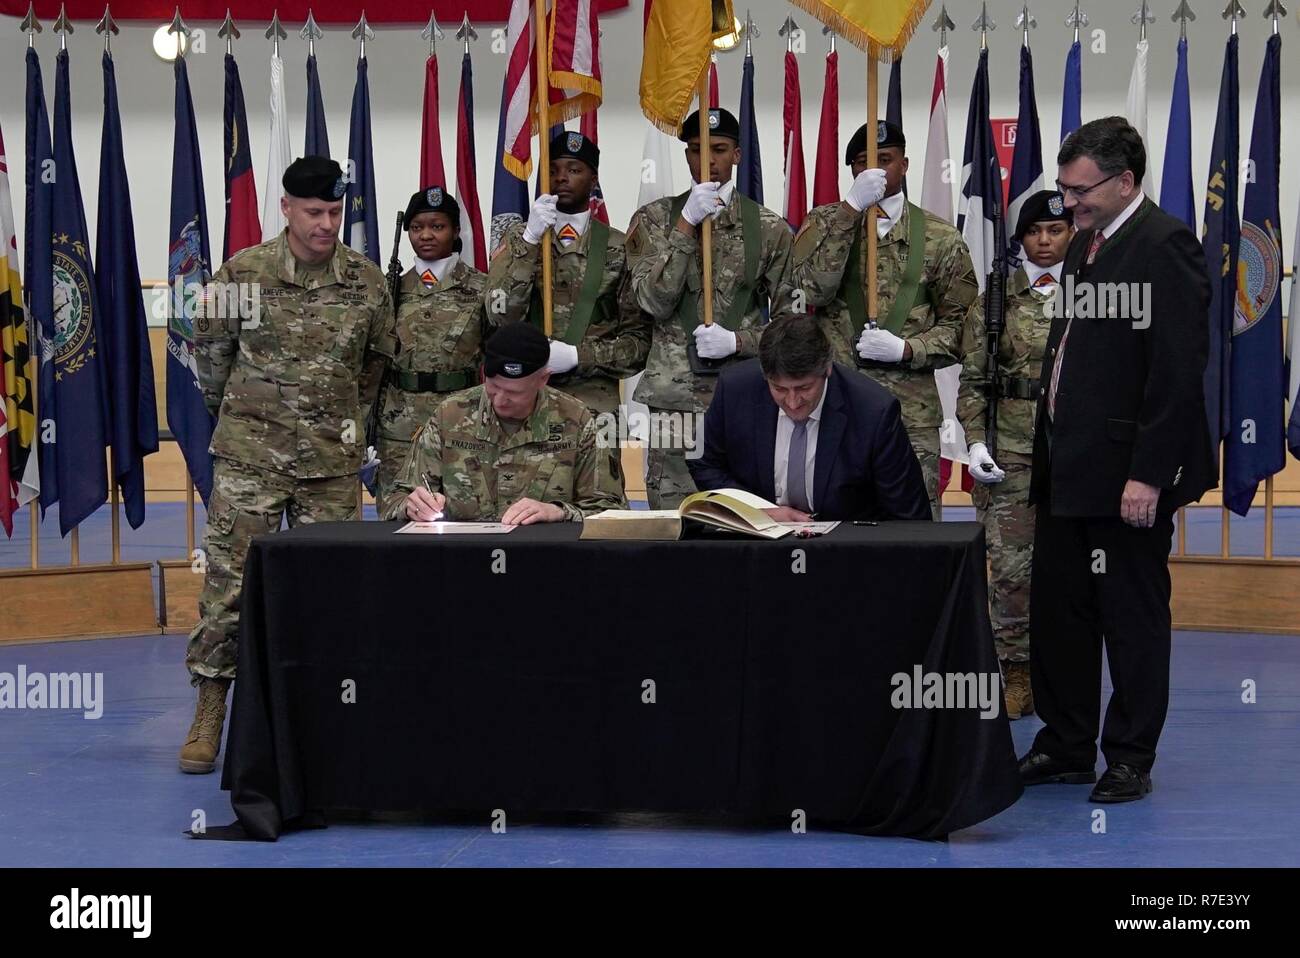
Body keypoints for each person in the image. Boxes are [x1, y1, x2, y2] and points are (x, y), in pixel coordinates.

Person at [1017, 117, 1214, 802]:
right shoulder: (1087, 245)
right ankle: (1065, 743)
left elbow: (1178, 372)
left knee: (1130, 617)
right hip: (1069, 468)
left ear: (1125, 181)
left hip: (1127, 475)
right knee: (1060, 614)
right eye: (1065, 189)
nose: (1068, 204)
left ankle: (1129, 755)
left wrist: (1149, 473)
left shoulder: (1167, 247)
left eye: (1080, 190)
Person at [182, 155, 396, 774]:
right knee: (229, 585)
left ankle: (323, 716)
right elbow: (212, 362)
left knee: (328, 591)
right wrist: (253, 420)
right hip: (251, 459)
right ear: (286, 209)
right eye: (313, 212)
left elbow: (374, 366)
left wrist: (343, 425)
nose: (326, 224)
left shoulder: (366, 281)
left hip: (331, 464)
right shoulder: (243, 274)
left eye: (334, 211)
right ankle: (210, 711)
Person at [791, 120, 980, 519]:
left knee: (912, 531)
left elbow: (965, 329)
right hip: (836, 409)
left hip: (909, 414)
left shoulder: (940, 238)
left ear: (905, 165)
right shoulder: (824, 223)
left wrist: (909, 349)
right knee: (833, 524)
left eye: (885, 160)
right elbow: (810, 291)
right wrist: (849, 212)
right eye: (862, 163)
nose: (874, 170)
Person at [625, 107, 796, 508]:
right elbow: (651, 300)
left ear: (737, 155)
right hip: (674, 400)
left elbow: (792, 323)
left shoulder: (768, 228)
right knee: (674, 517)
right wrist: (685, 225)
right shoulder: (653, 221)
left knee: (746, 512)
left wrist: (740, 341)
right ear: (687, 155)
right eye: (697, 150)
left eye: (720, 150)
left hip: (743, 394)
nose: (709, 162)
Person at [957, 189, 1075, 720]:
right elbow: (974, 379)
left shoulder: (1093, 291)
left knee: (1072, 567)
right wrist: (975, 441)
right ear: (1020, 238)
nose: (1045, 241)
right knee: (1009, 571)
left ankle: (1066, 674)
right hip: (1011, 451)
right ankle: (1016, 673)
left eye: (1055, 231)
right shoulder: (997, 298)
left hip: (1074, 449)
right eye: (1034, 232)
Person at [690, 315, 930, 522]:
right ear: (765, 376)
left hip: (846, 550)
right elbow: (702, 460)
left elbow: (909, 517)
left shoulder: (874, 411)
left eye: (804, 388)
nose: (793, 402)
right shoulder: (735, 389)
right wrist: (758, 510)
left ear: (827, 369)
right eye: (780, 389)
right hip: (758, 543)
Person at [382, 322, 626, 523]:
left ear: (543, 379)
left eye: (513, 392)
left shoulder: (576, 420)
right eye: (493, 386)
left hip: (546, 560)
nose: (499, 400)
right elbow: (395, 500)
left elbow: (611, 511)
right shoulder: (451, 415)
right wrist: (411, 506)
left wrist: (559, 512)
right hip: (464, 558)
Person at [484, 131, 649, 418]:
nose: (561, 178)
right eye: (552, 170)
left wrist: (577, 357)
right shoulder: (518, 240)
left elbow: (638, 345)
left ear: (594, 179)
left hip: (595, 406)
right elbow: (498, 314)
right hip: (527, 400)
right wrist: (530, 239)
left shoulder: (619, 247)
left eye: (574, 170)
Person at [374, 186, 488, 504]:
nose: (426, 235)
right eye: (417, 227)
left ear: (455, 231)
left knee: (463, 509)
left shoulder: (482, 288)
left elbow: (496, 356)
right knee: (398, 510)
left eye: (437, 226)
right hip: (399, 424)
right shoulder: (389, 290)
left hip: (461, 419)